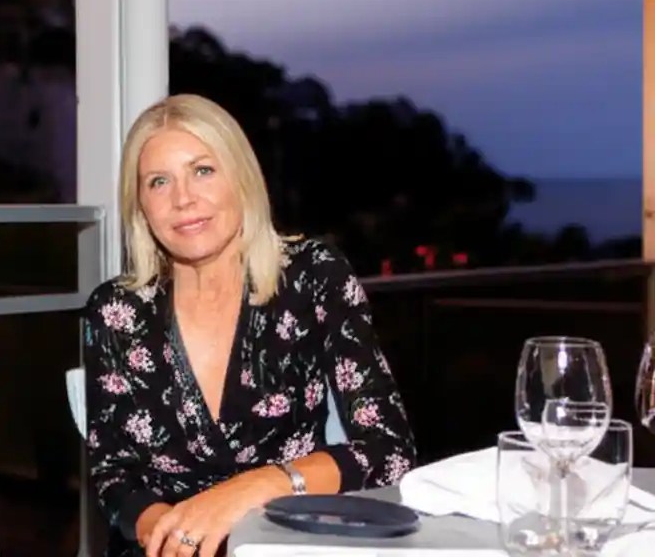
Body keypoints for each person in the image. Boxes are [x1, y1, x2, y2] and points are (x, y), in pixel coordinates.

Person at [84, 94, 416, 557]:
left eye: (203, 170)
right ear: (140, 205)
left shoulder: (313, 278)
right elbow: (112, 472)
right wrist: (170, 534)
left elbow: (388, 448)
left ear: (241, 176)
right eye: (159, 181)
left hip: (285, 545)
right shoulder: (115, 310)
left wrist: (250, 490)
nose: (183, 199)